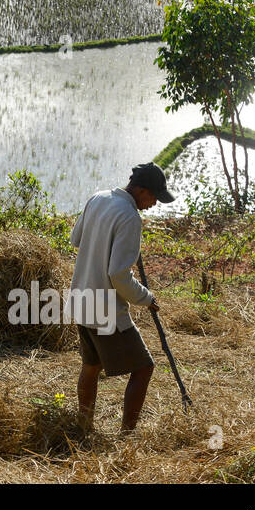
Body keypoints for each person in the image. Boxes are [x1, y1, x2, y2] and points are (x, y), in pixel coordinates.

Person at [69, 162, 174, 433]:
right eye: (153, 197)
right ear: (140, 190)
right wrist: (145, 297)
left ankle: (84, 427)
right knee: (144, 369)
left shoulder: (99, 198)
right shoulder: (129, 216)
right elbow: (118, 275)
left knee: (91, 366)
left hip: (81, 300)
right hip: (105, 310)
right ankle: (126, 437)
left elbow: (76, 238)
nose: (154, 204)